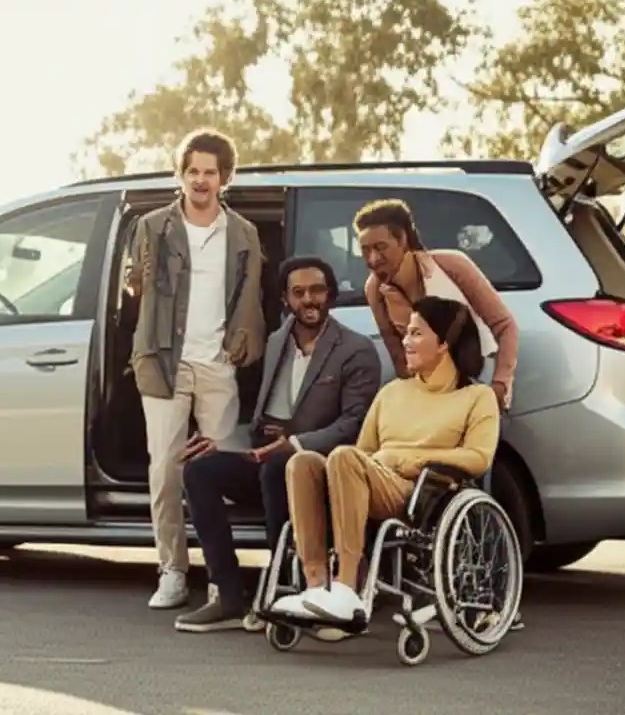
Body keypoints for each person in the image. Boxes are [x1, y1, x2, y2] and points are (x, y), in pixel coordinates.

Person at [173, 257, 381, 632]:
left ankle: (284, 588)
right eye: (298, 292)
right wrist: (221, 443)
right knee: (200, 470)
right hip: (267, 455)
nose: (309, 300)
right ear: (286, 299)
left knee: (278, 468)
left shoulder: (356, 349)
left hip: (318, 467)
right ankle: (228, 596)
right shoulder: (275, 342)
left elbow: (355, 423)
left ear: (331, 295)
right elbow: (258, 421)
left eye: (317, 290)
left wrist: (295, 444)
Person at [269, 296, 500, 622]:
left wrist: (411, 459)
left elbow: (479, 457)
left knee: (345, 457)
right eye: (407, 333)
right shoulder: (392, 392)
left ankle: (347, 586)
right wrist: (377, 461)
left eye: (416, 334)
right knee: (303, 463)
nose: (405, 341)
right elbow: (363, 452)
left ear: (443, 344)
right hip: (372, 477)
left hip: (419, 492)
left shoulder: (477, 396)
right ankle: (316, 585)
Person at [128, 128, 267, 610]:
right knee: (165, 471)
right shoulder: (152, 227)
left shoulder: (243, 233)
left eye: (210, 172)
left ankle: (219, 578)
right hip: (164, 362)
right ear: (181, 175)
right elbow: (136, 287)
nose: (201, 180)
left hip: (217, 364)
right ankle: (171, 570)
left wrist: (239, 346)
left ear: (225, 178)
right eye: (193, 171)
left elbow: (250, 297)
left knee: (219, 471)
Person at [356, 198, 518, 411]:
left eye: (380, 247)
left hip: (478, 376)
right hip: (431, 393)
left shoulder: (451, 266)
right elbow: (398, 355)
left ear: (403, 239)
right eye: (365, 250)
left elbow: (504, 325)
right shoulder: (375, 289)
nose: (373, 259)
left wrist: (500, 384)